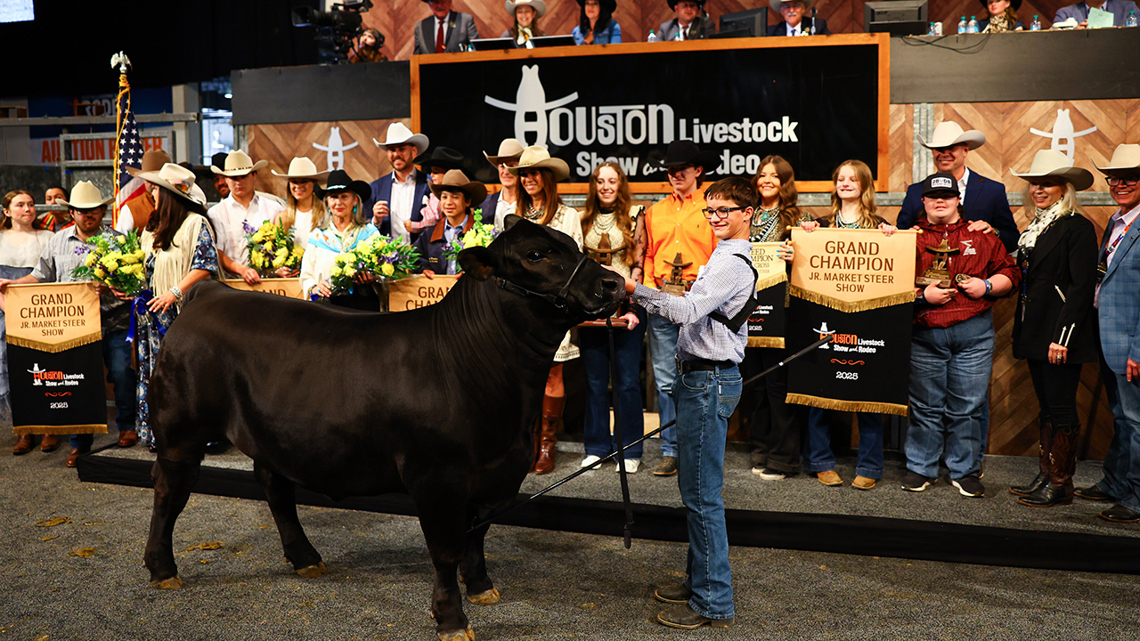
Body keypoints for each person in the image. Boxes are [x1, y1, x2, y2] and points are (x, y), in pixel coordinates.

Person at [623, 177, 758, 630]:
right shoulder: (723, 255)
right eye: (711, 210)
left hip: (709, 380)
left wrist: (634, 290)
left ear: (748, 214)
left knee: (702, 496)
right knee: (697, 492)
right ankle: (699, 579)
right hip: (701, 378)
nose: (716, 217)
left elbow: (684, 311)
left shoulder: (732, 261)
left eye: (725, 210)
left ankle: (713, 601)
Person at [0, 182, 137, 466]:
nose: (89, 215)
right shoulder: (57, 240)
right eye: (82, 211)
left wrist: (112, 288)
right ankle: (80, 443)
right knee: (78, 382)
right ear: (71, 212)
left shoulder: (118, 241)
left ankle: (127, 426)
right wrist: (13, 283)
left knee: (122, 374)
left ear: (103, 211)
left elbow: (131, 284)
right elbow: (41, 276)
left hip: (113, 321)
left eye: (94, 211)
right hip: (76, 328)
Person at [904, 172, 1018, 498]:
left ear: (958, 201)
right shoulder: (908, 239)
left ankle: (964, 469)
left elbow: (1010, 272)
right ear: (923, 201)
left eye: (947, 196)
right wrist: (921, 297)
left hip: (973, 332)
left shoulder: (981, 235)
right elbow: (889, 285)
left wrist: (986, 286)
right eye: (933, 197)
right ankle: (920, 466)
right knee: (925, 406)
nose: (940, 201)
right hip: (925, 330)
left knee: (967, 406)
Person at [793, 160, 896, 490]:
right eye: (841, 179)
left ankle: (870, 464)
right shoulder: (817, 226)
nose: (846, 183)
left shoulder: (881, 227)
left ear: (865, 185)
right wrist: (799, 244)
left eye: (853, 179)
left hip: (868, 320)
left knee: (869, 393)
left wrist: (894, 241)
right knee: (819, 391)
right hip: (826, 317)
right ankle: (821, 461)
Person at [1006, 150, 1097, 507]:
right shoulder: (1038, 226)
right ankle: (1047, 471)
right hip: (1035, 329)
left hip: (1060, 334)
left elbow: (1080, 287)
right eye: (1034, 184)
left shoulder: (1077, 226)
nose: (1038, 190)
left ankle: (1061, 482)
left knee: (1061, 408)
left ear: (1064, 188)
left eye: (1046, 184)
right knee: (1047, 406)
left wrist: (1064, 338)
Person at [128, 163, 219, 451]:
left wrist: (175, 291)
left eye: (156, 188)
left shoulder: (195, 223)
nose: (152, 193)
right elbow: (144, 267)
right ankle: (159, 432)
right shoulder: (151, 227)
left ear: (169, 194)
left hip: (181, 313)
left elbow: (205, 266)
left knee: (184, 373)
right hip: (152, 313)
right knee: (156, 371)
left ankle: (189, 433)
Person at [641, 140, 718, 477]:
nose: (675, 175)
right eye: (671, 170)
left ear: (698, 171)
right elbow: (646, 255)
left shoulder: (712, 209)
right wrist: (646, 294)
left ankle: (696, 447)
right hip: (661, 300)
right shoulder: (654, 212)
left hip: (697, 302)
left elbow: (719, 254)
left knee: (699, 376)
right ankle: (670, 449)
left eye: (682, 169)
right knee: (664, 379)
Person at [508, 146, 583, 474]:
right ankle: (525, 441)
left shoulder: (568, 216)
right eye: (523, 174)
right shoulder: (513, 215)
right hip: (522, 309)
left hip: (553, 307)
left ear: (547, 178)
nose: (526, 179)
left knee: (553, 372)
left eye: (533, 173)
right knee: (522, 375)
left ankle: (546, 445)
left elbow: (576, 266)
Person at [1077, 143, 1140, 523]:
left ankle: (1135, 497)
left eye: (1129, 177)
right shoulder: (1120, 222)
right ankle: (1115, 483)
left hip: (1131, 343)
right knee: (1122, 416)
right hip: (1109, 337)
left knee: (1136, 422)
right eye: (1113, 177)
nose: (1118, 184)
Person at [742, 156, 810, 481]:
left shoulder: (800, 217)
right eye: (762, 175)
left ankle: (784, 457)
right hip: (745, 310)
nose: (767, 180)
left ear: (785, 181)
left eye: (775, 175)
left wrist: (796, 256)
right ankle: (760, 448)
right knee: (753, 384)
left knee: (778, 385)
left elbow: (813, 266)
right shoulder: (745, 215)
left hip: (781, 312)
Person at [578, 162, 646, 473]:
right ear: (594, 185)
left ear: (621, 184)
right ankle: (596, 447)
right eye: (600, 181)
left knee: (628, 381)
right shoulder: (581, 219)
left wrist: (632, 307)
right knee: (594, 382)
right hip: (590, 310)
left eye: (612, 181)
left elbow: (639, 263)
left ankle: (629, 449)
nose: (606, 186)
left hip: (626, 309)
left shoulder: (635, 216)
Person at [897, 122, 1019, 253]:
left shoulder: (992, 190)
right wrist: (908, 236)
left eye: (952, 148)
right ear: (932, 152)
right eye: (939, 149)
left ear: (965, 151)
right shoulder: (915, 192)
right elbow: (900, 239)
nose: (945, 154)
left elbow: (1012, 240)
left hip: (977, 270)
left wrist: (993, 232)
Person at [1, 190, 54, 452]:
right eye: (20, 205)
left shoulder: (48, 237)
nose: (28, 209)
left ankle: (48, 427)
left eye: (31, 204)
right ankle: (24, 429)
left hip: (40, 312)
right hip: (5, 311)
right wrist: (8, 309)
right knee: (15, 371)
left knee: (44, 367)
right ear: (7, 211)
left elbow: (53, 276)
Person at [300, 169, 381, 303]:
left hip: (363, 305)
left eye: (344, 196)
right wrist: (314, 287)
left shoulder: (369, 234)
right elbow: (306, 275)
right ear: (327, 203)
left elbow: (383, 274)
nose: (338, 203)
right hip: (327, 307)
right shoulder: (318, 237)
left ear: (355, 200)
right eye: (333, 197)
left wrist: (373, 277)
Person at [207, 150, 285, 284]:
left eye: (243, 176)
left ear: (254, 175)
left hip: (270, 284)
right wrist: (242, 270)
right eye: (233, 178)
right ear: (226, 179)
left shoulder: (274, 208)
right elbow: (217, 252)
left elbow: (283, 244)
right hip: (232, 285)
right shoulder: (216, 213)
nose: (238, 182)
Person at [365, 122, 432, 244]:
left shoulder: (429, 184)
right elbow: (364, 231)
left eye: (401, 149)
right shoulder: (375, 188)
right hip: (386, 260)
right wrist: (376, 221)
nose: (396, 154)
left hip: (422, 259)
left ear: (414, 151)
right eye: (392, 150)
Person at [413, 170, 485, 276]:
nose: (448, 202)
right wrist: (424, 269)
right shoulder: (430, 234)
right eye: (444, 197)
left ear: (467, 201)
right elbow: (414, 257)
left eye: (455, 197)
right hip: (438, 291)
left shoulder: (480, 233)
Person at [271, 156, 329, 251]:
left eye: (304, 181)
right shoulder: (282, 218)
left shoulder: (325, 215)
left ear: (314, 184)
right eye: (294, 182)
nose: (298, 186)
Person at [411, 146, 465, 238]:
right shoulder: (434, 197)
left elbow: (434, 219)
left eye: (436, 172)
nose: (431, 175)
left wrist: (415, 226)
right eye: (444, 197)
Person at [117, 149, 173, 235]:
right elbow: (119, 244)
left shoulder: (180, 205)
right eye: (149, 179)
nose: (154, 184)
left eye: (159, 180)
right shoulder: (131, 209)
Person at [480, 138, 525, 230]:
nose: (506, 172)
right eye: (502, 166)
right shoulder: (485, 204)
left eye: (511, 166)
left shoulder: (531, 203)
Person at [413, 0, 480, 54]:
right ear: (429, 4)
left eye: (443, 1)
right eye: (436, 2)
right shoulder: (420, 27)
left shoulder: (465, 21)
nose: (440, 6)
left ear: (450, 2)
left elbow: (475, 49)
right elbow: (417, 56)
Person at [1054, 0, 1140, 27]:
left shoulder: (1128, 8)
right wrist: (1076, 36)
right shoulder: (1065, 14)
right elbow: (1055, 46)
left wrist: (1119, 35)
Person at [767, 0, 831, 36]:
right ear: (782, 11)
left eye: (795, 6)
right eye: (787, 7)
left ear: (803, 8)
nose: (791, 10)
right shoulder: (771, 32)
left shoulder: (817, 26)